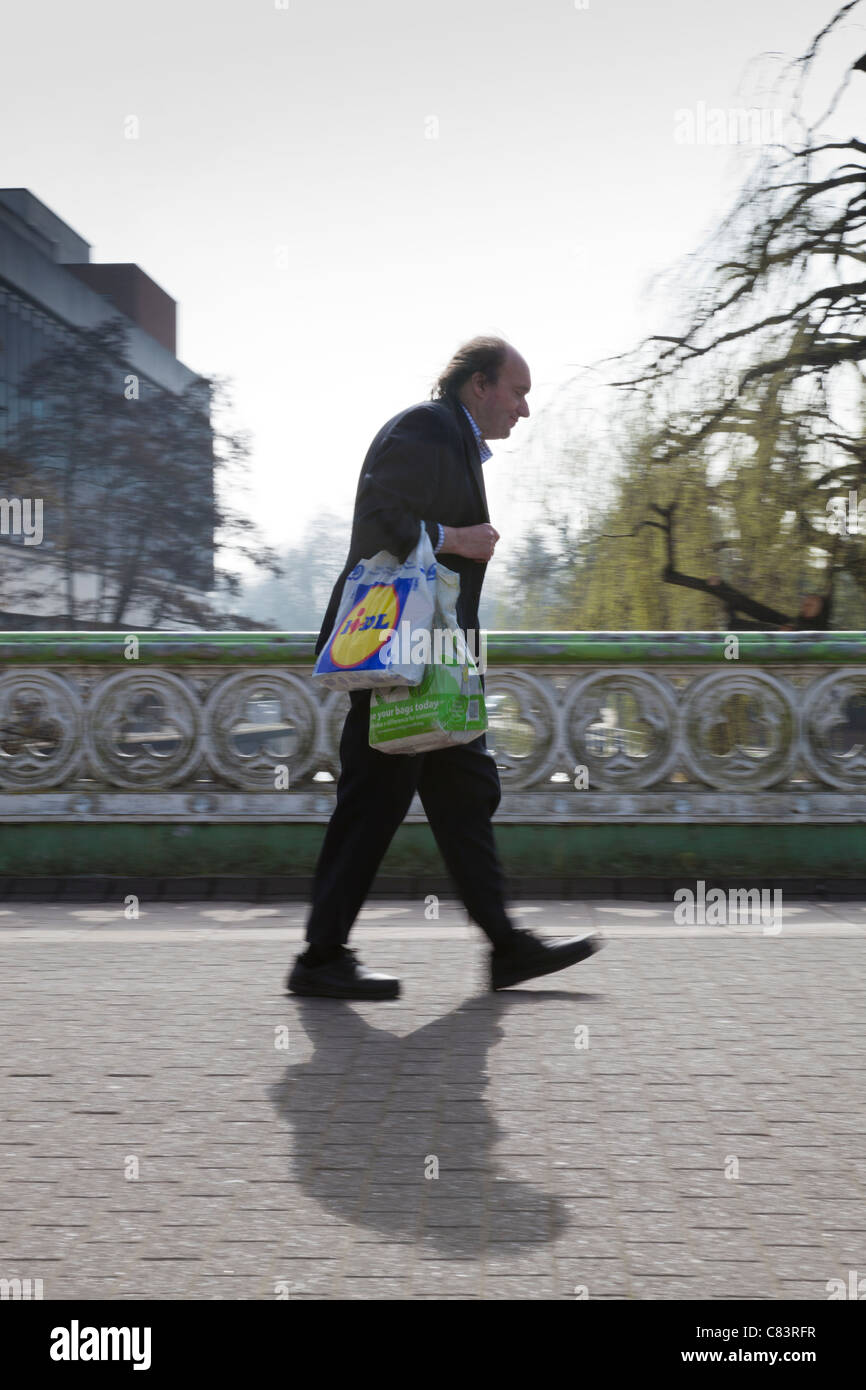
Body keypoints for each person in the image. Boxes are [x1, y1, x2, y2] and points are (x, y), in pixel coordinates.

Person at [287, 336, 601, 999]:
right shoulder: (423, 428)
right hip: (399, 657)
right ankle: (320, 960)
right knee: (373, 802)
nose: (523, 408)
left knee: (463, 797)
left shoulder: (451, 437)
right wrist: (457, 539)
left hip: (434, 659)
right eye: (517, 392)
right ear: (478, 384)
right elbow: (381, 521)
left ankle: (506, 947)